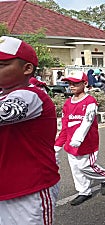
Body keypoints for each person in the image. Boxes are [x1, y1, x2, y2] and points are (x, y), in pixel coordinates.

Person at [0, 36, 60, 224]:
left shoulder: (31, 96)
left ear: (27, 68)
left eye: (2, 65)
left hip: (30, 189)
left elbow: (6, 113)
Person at [54, 70, 105, 206]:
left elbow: (87, 121)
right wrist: (57, 145)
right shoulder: (67, 103)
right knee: (75, 168)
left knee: (85, 166)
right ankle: (84, 191)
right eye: (69, 83)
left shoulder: (90, 101)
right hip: (70, 144)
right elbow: (65, 126)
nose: (71, 86)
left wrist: (78, 138)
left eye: (75, 83)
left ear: (85, 83)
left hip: (87, 143)